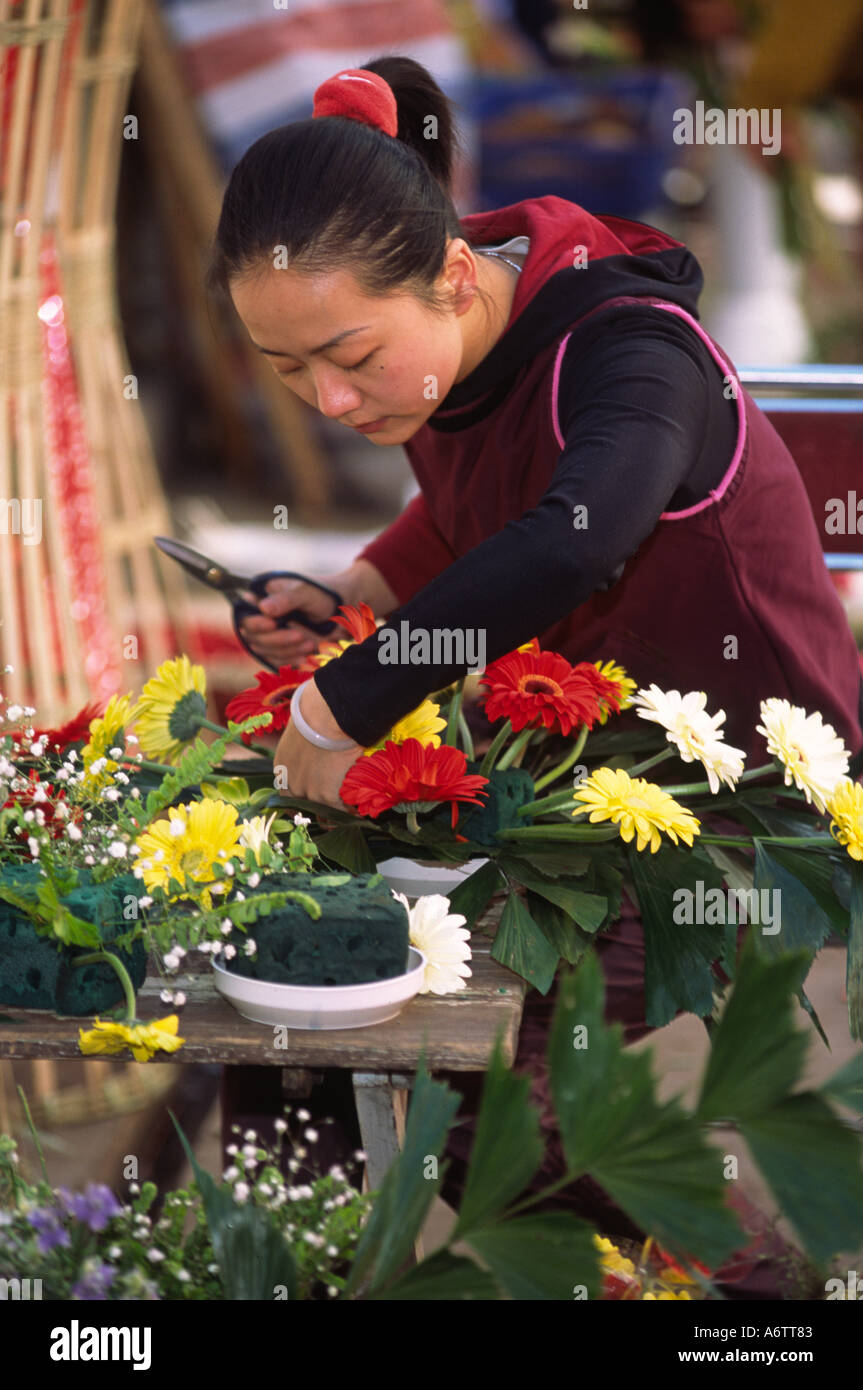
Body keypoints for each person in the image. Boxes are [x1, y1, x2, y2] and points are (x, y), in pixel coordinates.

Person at [208, 54, 863, 1292]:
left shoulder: (631, 355)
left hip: (743, 805)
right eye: (285, 371)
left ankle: (745, 1298)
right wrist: (349, 599)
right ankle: (240, 1264)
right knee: (293, 983)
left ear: (454, 275)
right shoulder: (455, 346)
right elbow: (463, 508)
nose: (330, 399)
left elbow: (573, 534)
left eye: (345, 355)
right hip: (564, 772)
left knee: (481, 1080)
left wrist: (344, 696)